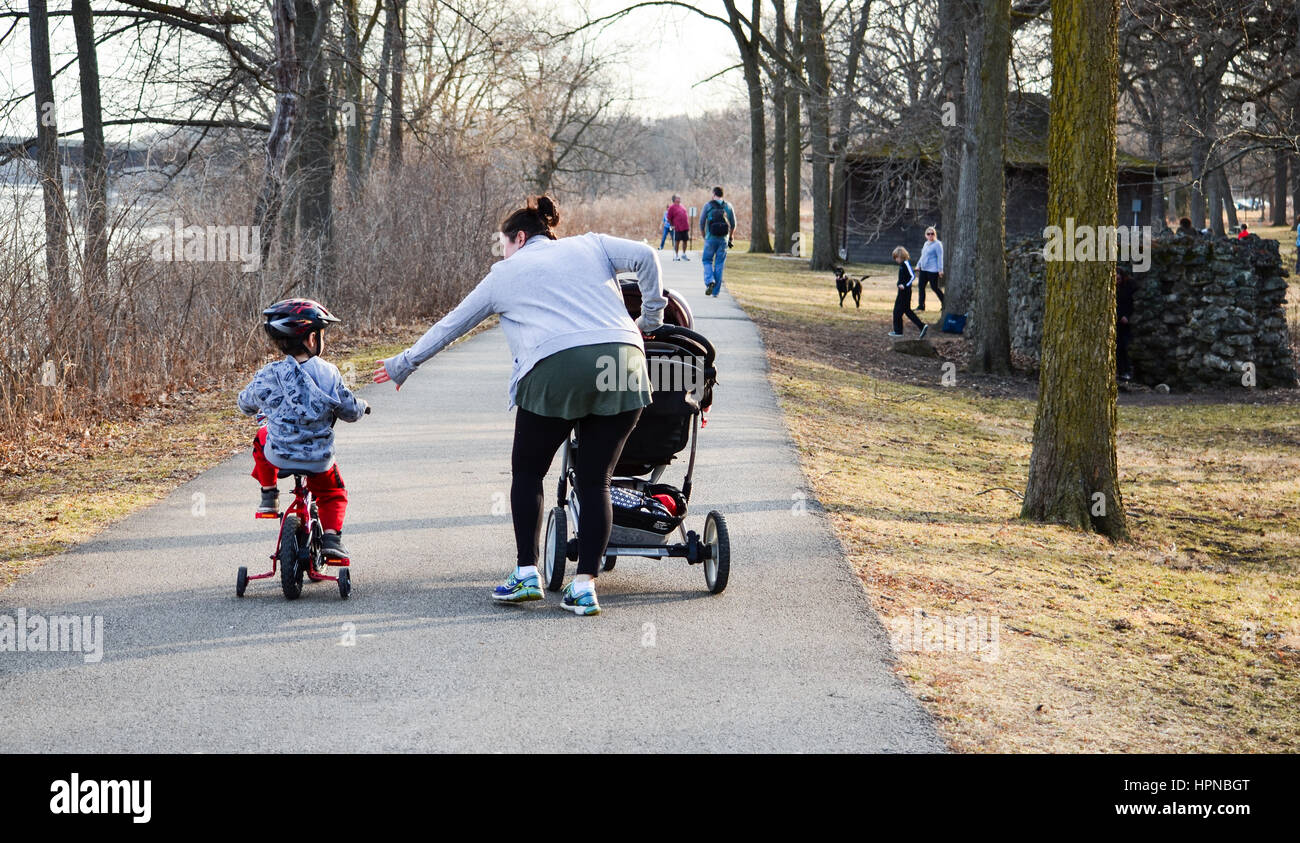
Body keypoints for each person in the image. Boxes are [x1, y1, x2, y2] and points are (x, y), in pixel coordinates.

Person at [373, 196, 665, 617]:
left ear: (520, 238)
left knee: (528, 472)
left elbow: (452, 324)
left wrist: (403, 364)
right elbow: (647, 256)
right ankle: (584, 588)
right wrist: (650, 320)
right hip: (622, 363)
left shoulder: (504, 274)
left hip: (556, 367)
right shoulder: (592, 245)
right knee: (596, 479)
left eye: (504, 244)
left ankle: (527, 574)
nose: (502, 252)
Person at [239, 299, 369, 561]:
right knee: (333, 493)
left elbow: (245, 404)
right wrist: (362, 406)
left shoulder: (268, 374)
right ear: (312, 339)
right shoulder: (328, 373)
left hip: (279, 455)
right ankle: (332, 538)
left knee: (262, 437)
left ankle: (268, 493)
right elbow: (348, 410)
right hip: (317, 458)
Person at [700, 186, 736, 296]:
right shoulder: (728, 206)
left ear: (714, 194)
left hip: (710, 238)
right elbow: (733, 224)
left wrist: (704, 235)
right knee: (719, 264)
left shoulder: (708, 205)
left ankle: (710, 281)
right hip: (723, 240)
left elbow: (701, 222)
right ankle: (715, 292)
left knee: (707, 260)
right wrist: (731, 236)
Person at [888, 246, 927, 339]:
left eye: (896, 257)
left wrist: (904, 285)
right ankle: (921, 326)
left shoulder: (906, 264)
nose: (896, 260)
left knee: (897, 311)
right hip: (901, 292)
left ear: (901, 256)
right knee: (907, 311)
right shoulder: (902, 265)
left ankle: (898, 331)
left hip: (905, 292)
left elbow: (912, 276)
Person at [915, 226, 945, 310]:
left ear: (934, 234)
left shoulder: (938, 244)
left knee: (934, 287)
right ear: (926, 235)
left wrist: (940, 270)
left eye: (932, 234)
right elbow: (922, 256)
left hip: (933, 270)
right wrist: (918, 265)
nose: (930, 235)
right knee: (921, 287)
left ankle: (944, 303)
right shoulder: (926, 243)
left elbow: (940, 257)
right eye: (928, 234)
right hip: (924, 269)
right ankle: (921, 306)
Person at [1116, 266, 1134, 381]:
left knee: (1124, 347)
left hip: (1124, 322)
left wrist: (1126, 316)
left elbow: (1128, 303)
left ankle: (1126, 371)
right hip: (1117, 321)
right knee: (1118, 348)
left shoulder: (1126, 288)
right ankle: (1121, 371)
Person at [667, 194, 690, 261]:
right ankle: (676, 255)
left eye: (680, 198)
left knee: (685, 241)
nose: (679, 199)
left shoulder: (682, 206)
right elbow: (669, 218)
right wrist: (672, 225)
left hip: (685, 227)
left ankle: (684, 254)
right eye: (678, 198)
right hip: (677, 227)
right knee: (677, 241)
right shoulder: (671, 207)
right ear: (674, 199)